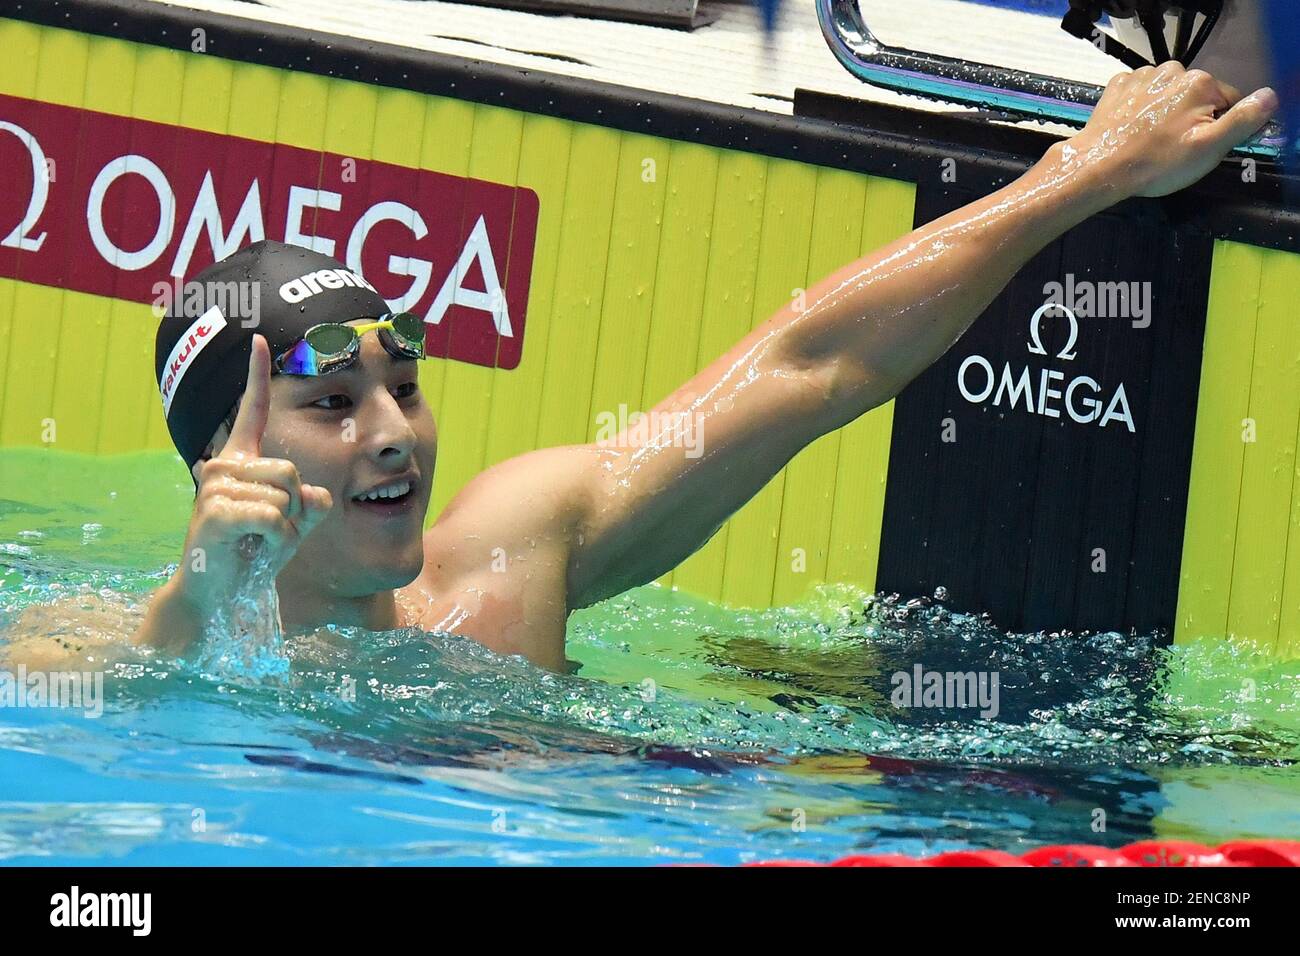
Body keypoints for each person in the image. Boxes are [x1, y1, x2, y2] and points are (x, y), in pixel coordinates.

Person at [8, 64, 1279, 673]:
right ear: (221, 459)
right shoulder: (82, 646)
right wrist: (191, 609)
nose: (397, 430)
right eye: (334, 402)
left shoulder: (514, 550)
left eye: (404, 381)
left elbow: (810, 360)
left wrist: (1084, 173)